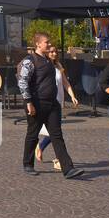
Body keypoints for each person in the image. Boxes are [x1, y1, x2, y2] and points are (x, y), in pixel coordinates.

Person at [18, 31, 84, 179]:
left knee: (57, 135)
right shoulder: (30, 61)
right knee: (32, 134)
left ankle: (68, 169)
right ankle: (28, 164)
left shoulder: (49, 61)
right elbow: (22, 82)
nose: (49, 44)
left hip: (52, 103)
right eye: (46, 42)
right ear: (38, 44)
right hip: (36, 103)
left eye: (49, 42)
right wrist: (29, 102)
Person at [34, 43, 79, 171]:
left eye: (56, 52)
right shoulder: (42, 66)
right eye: (51, 51)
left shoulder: (58, 66)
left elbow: (65, 83)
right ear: (47, 53)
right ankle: (58, 160)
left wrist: (72, 96)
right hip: (46, 102)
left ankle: (41, 147)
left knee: (55, 132)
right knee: (56, 132)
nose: (54, 54)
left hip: (58, 102)